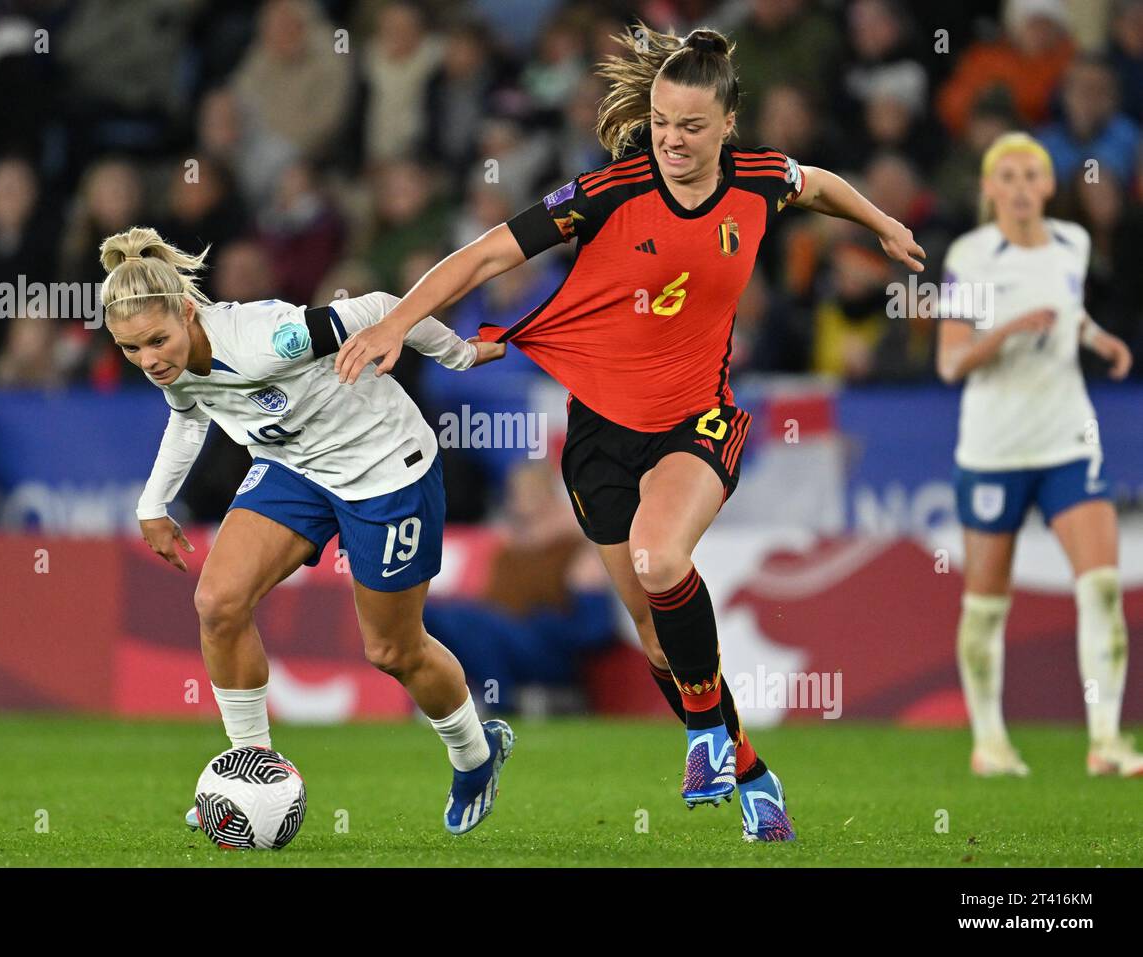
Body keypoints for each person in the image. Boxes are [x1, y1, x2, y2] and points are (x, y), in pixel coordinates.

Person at [335, 24, 926, 842]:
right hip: (600, 436)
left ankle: (707, 738)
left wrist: (881, 223)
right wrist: (399, 321)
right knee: (651, 627)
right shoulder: (607, 190)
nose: (672, 141)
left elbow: (817, 182)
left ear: (728, 124)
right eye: (659, 123)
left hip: (700, 418)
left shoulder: (758, 179)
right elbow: (481, 257)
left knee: (660, 558)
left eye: (690, 126)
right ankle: (746, 766)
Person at [98, 226, 514, 835]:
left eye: (157, 341)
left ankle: (476, 756)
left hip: (383, 468)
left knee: (392, 650)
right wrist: (154, 503)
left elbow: (378, 309)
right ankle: (249, 770)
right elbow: (187, 414)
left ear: (188, 312)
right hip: (294, 469)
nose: (150, 361)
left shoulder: (268, 339)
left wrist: (459, 353)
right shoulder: (173, 363)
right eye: (130, 350)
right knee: (218, 603)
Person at [936, 132, 1139, 778]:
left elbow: (1068, 313)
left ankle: (1106, 740)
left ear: (1050, 187)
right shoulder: (969, 257)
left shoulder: (1072, 244)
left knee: (1103, 587)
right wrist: (1002, 334)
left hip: (1067, 441)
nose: (1022, 188)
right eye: (1009, 177)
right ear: (990, 189)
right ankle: (990, 742)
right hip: (994, 448)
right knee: (987, 602)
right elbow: (949, 362)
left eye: (1033, 176)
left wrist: (1099, 338)